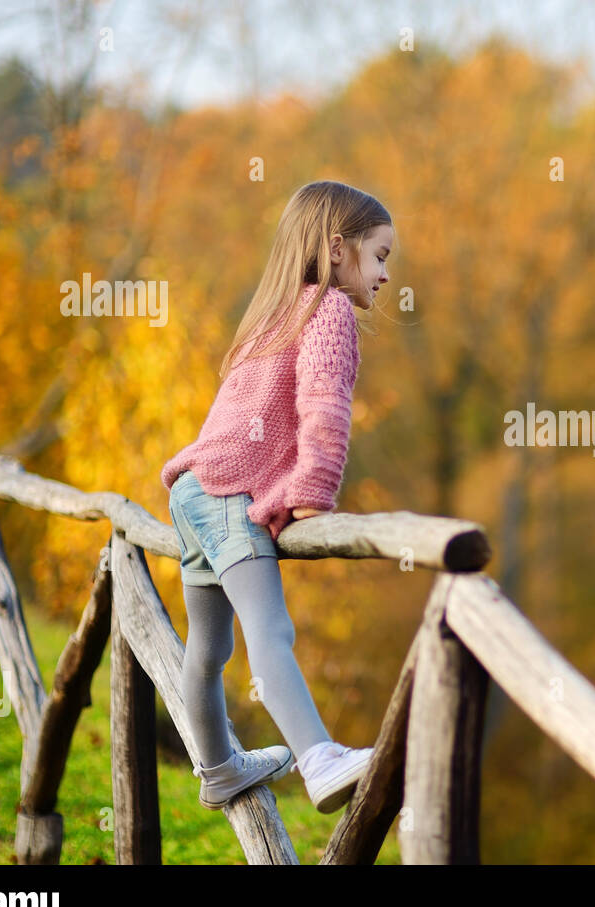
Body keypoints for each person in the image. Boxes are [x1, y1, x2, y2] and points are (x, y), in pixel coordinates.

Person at [159, 180, 394, 814]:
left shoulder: (272, 311)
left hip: (193, 491)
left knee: (209, 648)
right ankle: (319, 758)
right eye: (380, 256)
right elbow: (324, 407)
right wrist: (314, 490)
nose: (385, 274)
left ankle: (217, 769)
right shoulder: (330, 312)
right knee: (271, 627)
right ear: (338, 250)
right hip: (232, 493)